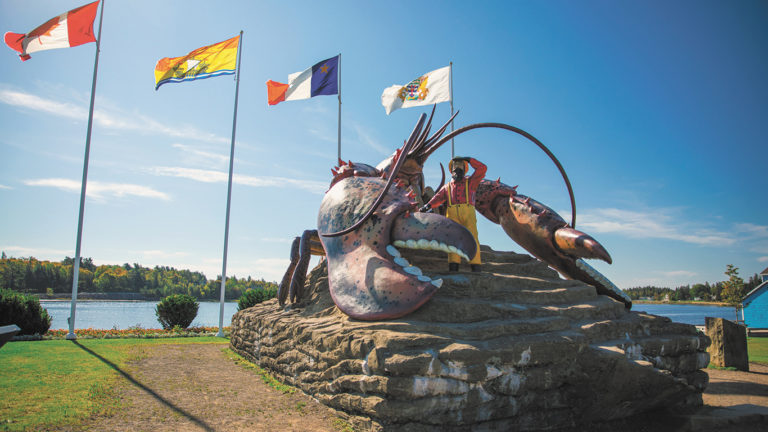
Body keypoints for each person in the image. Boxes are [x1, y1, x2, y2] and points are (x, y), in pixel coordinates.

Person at [419, 156, 486, 272]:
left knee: (473, 238)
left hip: (468, 213)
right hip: (452, 214)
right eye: (455, 168)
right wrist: (427, 206)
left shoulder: (471, 182)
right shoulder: (447, 187)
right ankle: (453, 266)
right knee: (452, 239)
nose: (457, 170)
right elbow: (438, 197)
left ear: (465, 169)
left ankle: (476, 266)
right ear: (451, 170)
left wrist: (469, 159)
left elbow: (482, 169)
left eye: (460, 167)